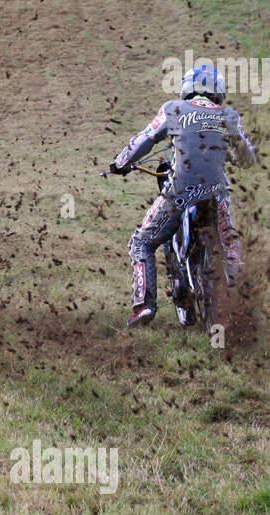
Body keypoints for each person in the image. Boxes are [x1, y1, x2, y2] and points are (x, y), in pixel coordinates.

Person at [107, 65, 256, 327]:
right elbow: (248, 157)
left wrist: (120, 163)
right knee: (232, 254)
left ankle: (144, 306)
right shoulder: (229, 116)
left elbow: (145, 139)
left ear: (187, 88)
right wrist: (233, 155)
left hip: (180, 192)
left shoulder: (173, 109)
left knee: (141, 242)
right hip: (216, 195)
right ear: (218, 91)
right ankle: (244, 306)